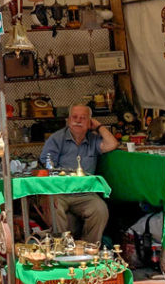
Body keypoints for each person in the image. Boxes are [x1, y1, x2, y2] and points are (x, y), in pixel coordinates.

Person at [39, 104, 119, 244]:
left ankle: (88, 248)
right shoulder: (56, 139)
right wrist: (47, 194)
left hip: (84, 193)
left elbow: (112, 144)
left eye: (83, 118)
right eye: (74, 117)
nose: (78, 121)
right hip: (59, 191)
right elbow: (45, 167)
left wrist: (99, 127)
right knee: (54, 206)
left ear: (90, 123)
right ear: (68, 120)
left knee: (100, 209)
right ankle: (62, 249)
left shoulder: (93, 140)